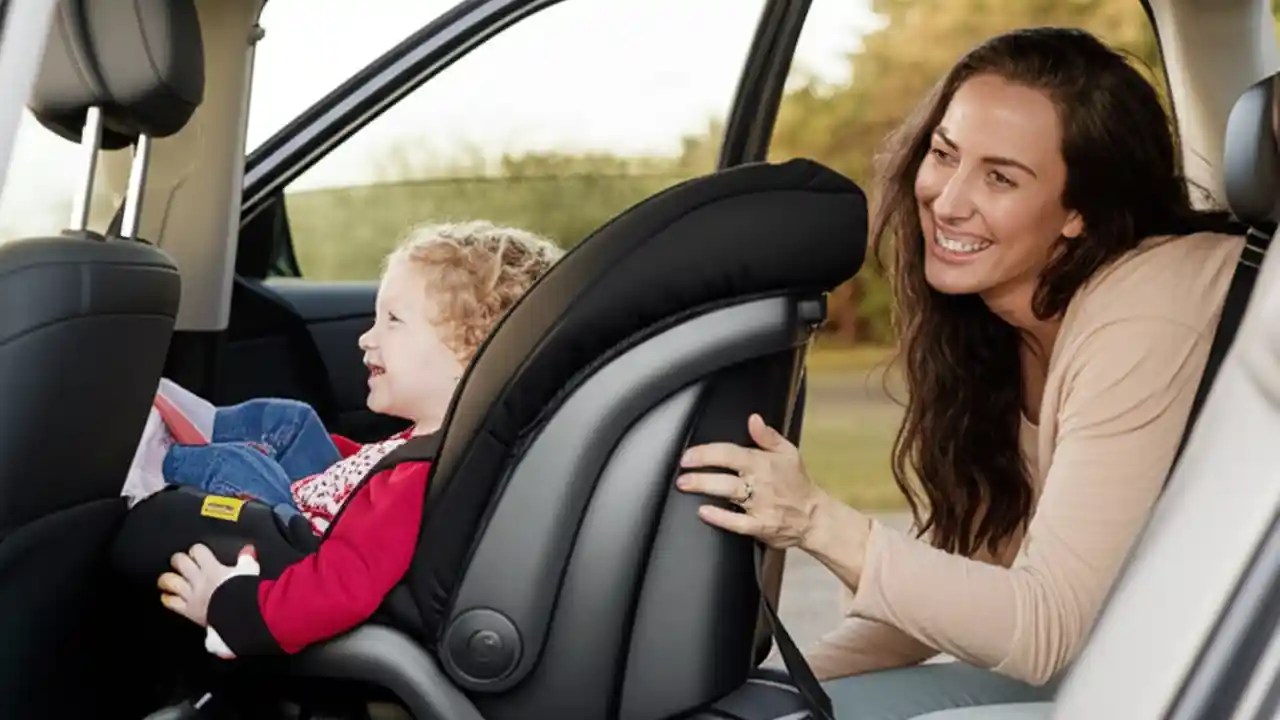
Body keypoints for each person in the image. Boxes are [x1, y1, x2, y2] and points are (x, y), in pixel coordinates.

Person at [675, 27, 1245, 718]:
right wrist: (760, 700)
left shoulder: (1147, 311)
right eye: (945, 155)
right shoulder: (1010, 323)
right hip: (1154, 655)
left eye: (1000, 177)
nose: (947, 200)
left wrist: (816, 521)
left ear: (1078, 213)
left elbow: (1045, 630)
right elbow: (966, 569)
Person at [155, 220, 563, 656]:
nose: (368, 339)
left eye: (393, 321)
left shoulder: (414, 481)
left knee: (233, 466)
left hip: (301, 544)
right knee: (289, 422)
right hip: (326, 512)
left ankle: (148, 457)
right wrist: (344, 460)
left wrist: (231, 608)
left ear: (472, 349)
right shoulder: (436, 443)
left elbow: (342, 585)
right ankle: (185, 423)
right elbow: (375, 467)